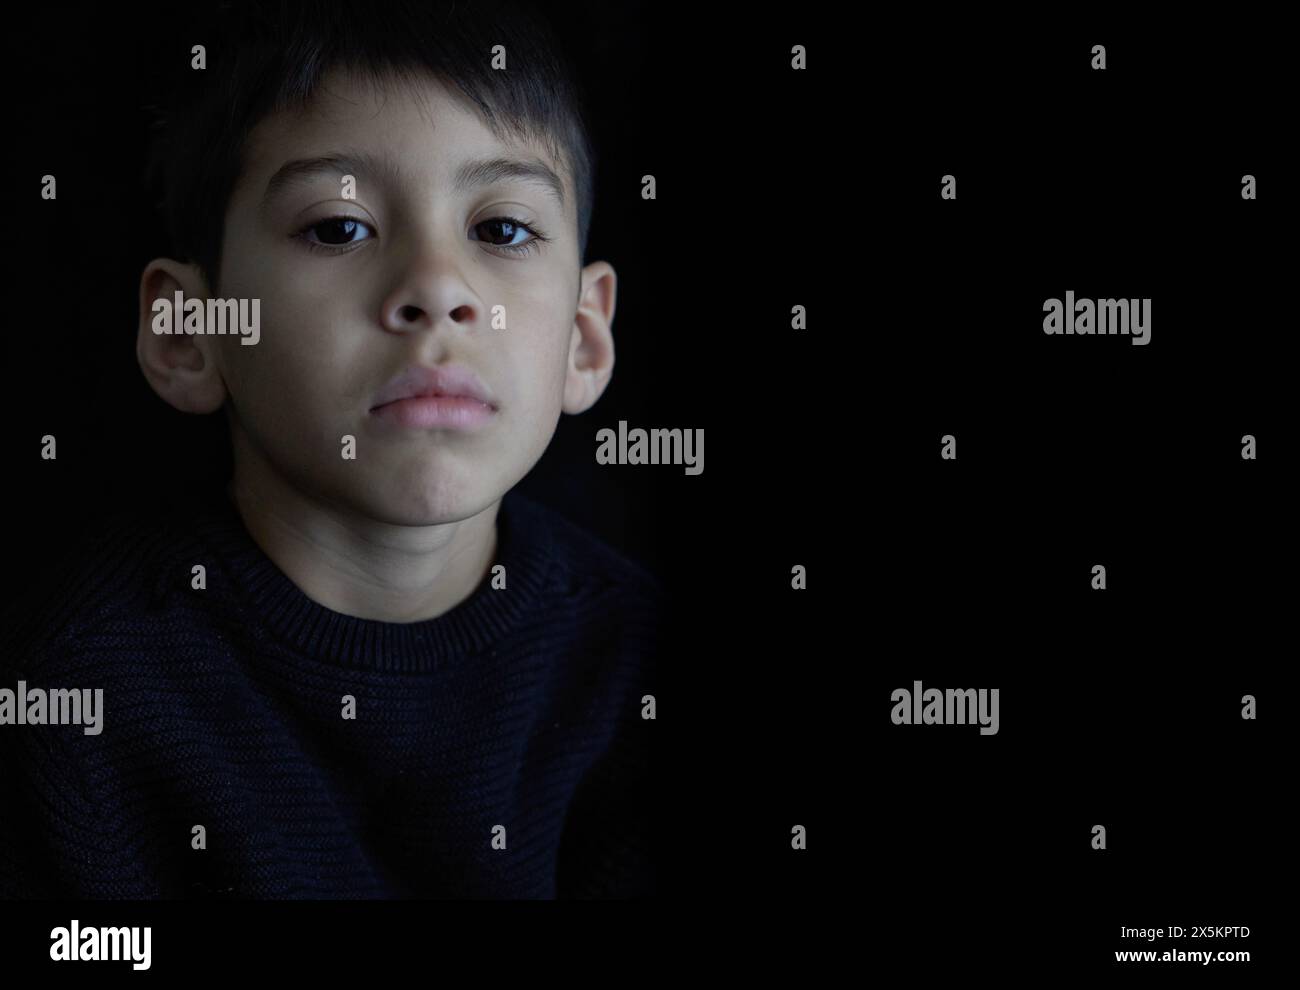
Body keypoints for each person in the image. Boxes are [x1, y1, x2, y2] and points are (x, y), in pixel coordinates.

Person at [0, 0, 662, 899]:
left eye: (501, 229)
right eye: (338, 229)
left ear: (584, 339)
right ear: (189, 332)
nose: (436, 289)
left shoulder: (636, 667)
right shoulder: (77, 698)